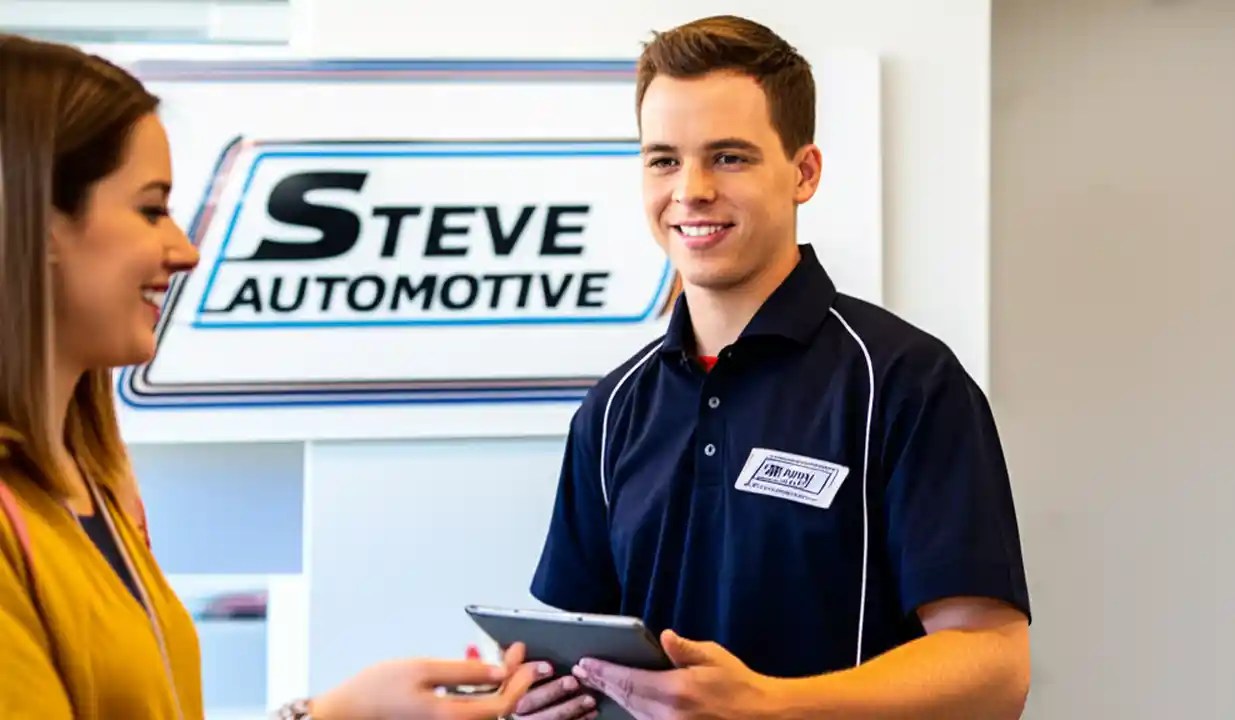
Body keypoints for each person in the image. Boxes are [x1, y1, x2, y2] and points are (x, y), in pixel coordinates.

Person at [0, 34, 545, 719]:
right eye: (150, 209)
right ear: (36, 221)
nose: (185, 250)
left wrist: (335, 715)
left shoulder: (98, 489)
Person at [516, 15, 1032, 720]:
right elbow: (585, 655)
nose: (691, 189)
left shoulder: (906, 383)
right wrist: (543, 698)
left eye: (728, 157)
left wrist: (768, 706)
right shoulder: (610, 412)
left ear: (804, 173)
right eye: (663, 160)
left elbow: (994, 668)